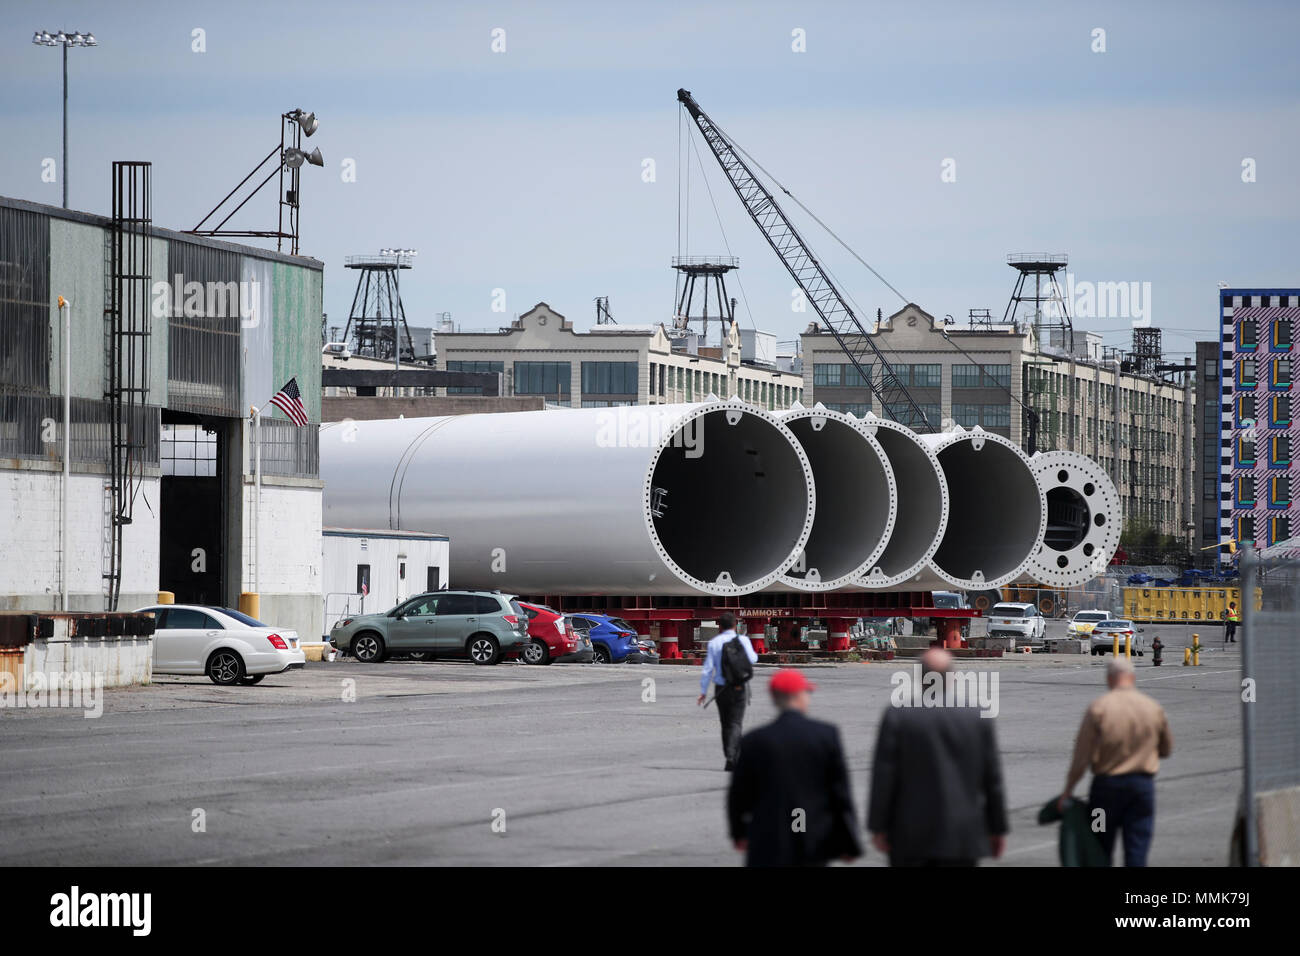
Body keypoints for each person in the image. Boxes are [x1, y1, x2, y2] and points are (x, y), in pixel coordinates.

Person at [866, 648, 1008, 866]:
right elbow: (992, 779)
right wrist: (997, 828)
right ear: (952, 678)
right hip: (962, 836)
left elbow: (884, 776)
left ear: (921, 678)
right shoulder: (977, 716)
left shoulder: (898, 716)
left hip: (910, 835)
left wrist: (878, 826)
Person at [727, 669, 862, 866]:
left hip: (767, 836)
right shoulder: (826, 735)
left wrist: (738, 833)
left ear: (774, 698)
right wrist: (848, 843)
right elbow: (840, 794)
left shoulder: (753, 740)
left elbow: (738, 795)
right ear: (800, 696)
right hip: (812, 835)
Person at [1058, 656, 1173, 867]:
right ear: (1133, 677)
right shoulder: (1152, 707)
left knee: (1099, 847)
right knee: (1137, 848)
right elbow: (1166, 749)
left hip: (1105, 791)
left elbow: (1081, 757)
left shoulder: (1098, 708)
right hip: (1141, 789)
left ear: (1109, 679)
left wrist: (1068, 791)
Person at [697, 612, 757, 770]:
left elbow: (708, 669)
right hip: (739, 687)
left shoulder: (714, 642)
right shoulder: (743, 640)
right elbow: (753, 659)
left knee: (725, 724)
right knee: (736, 723)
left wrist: (703, 691)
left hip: (721, 689)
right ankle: (734, 757)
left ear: (720, 626)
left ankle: (729, 755)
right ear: (735, 625)